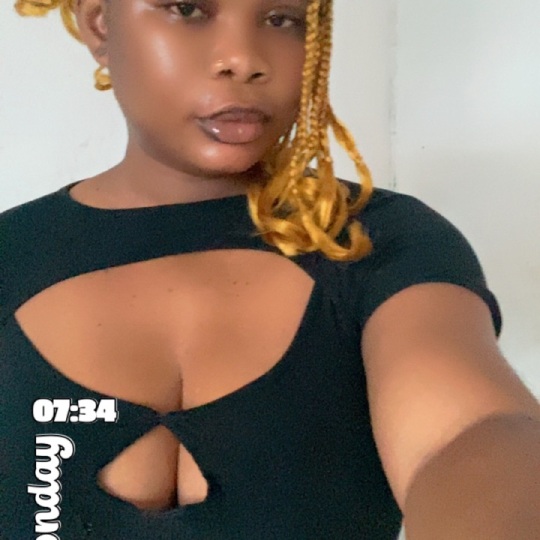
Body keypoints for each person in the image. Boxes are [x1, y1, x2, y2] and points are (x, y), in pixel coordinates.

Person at [2, 0, 539, 539]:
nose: (243, 59)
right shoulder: (12, 254)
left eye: (283, 19)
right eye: (188, 9)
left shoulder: (373, 241)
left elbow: (471, 431)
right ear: (100, 23)